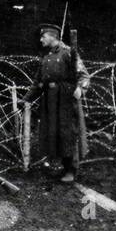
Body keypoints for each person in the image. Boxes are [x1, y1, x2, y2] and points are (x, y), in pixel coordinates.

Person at [29, 23, 88, 183]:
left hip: (66, 99)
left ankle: (71, 169)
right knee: (54, 133)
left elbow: (84, 76)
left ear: (53, 36)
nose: (41, 39)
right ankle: (62, 166)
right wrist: (26, 99)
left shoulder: (69, 53)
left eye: (43, 36)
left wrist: (80, 90)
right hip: (51, 100)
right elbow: (38, 82)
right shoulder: (46, 58)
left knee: (67, 132)